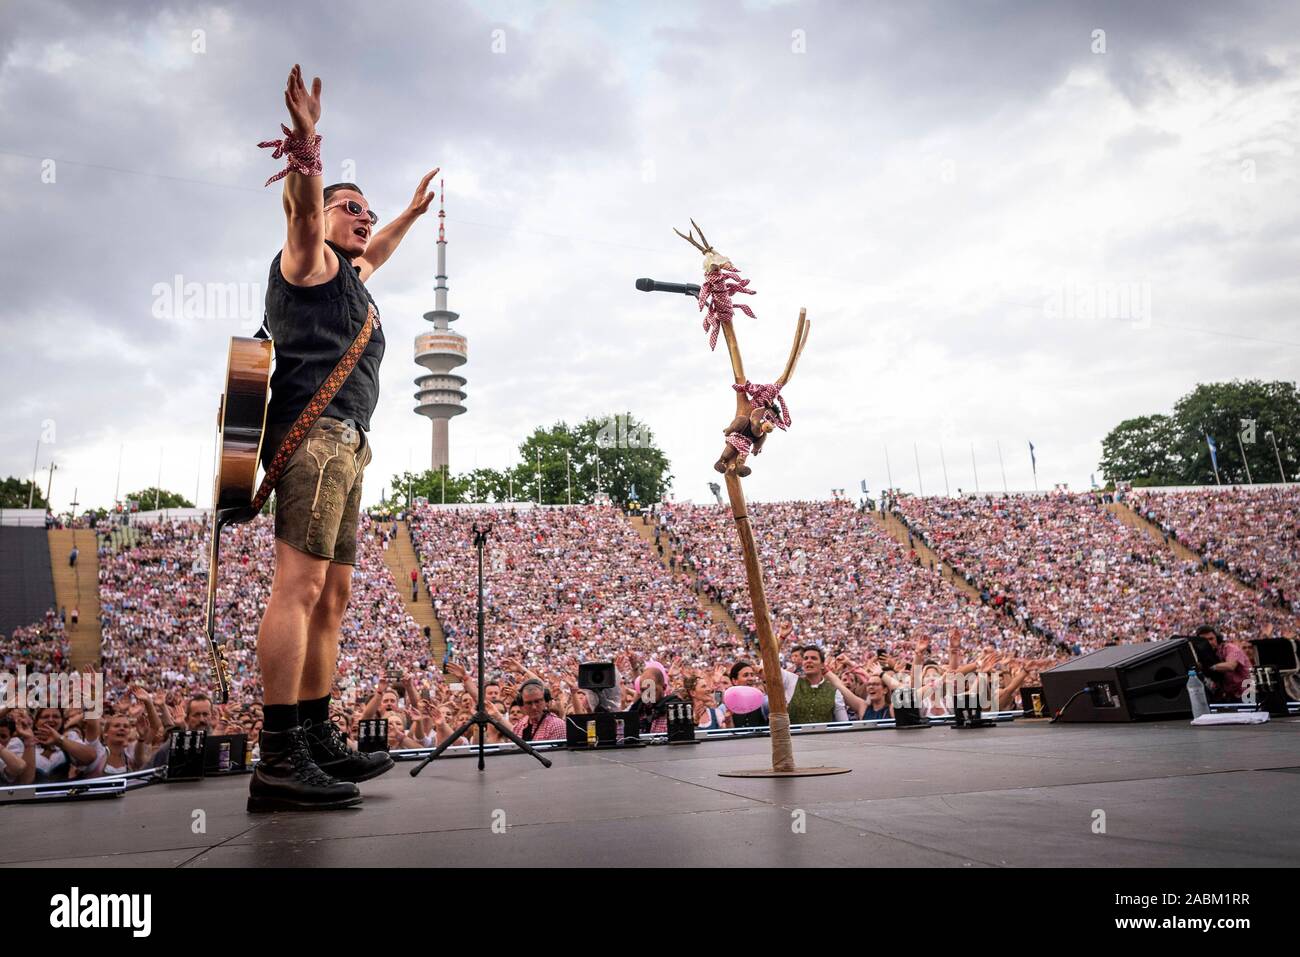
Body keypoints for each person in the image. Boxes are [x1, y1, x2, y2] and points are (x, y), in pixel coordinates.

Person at [247, 64, 438, 812]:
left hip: (351, 441)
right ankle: (278, 755)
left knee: (335, 592)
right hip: (315, 435)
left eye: (368, 210)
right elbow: (300, 210)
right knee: (298, 587)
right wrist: (306, 144)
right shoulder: (305, 259)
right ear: (324, 221)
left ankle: (317, 731)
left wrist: (412, 216)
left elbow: (380, 249)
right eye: (351, 208)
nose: (364, 216)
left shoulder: (353, 275)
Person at [781, 647, 848, 724]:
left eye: (813, 658)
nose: (809, 661)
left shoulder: (835, 692)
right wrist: (782, 638)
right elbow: (770, 666)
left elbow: (844, 725)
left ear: (822, 665)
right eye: (805, 658)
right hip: (794, 736)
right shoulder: (792, 681)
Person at [1197, 625, 1251, 703]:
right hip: (1231, 696)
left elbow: (1231, 666)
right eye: (1204, 640)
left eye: (1211, 639)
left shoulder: (1231, 648)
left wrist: (1207, 667)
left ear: (1217, 639)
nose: (1209, 643)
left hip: (1247, 694)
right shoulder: (1211, 654)